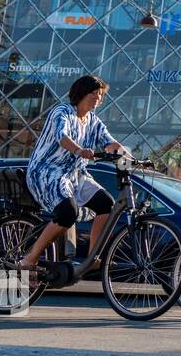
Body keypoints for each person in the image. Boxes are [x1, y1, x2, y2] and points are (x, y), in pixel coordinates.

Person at [19, 75, 130, 280]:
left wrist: (130, 158)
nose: (98, 98)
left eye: (100, 94)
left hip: (74, 175)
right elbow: (62, 137)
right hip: (47, 172)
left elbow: (110, 143)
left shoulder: (93, 121)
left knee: (106, 203)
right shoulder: (62, 112)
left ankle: (92, 258)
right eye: (93, 93)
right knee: (67, 212)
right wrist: (79, 150)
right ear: (81, 93)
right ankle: (30, 258)